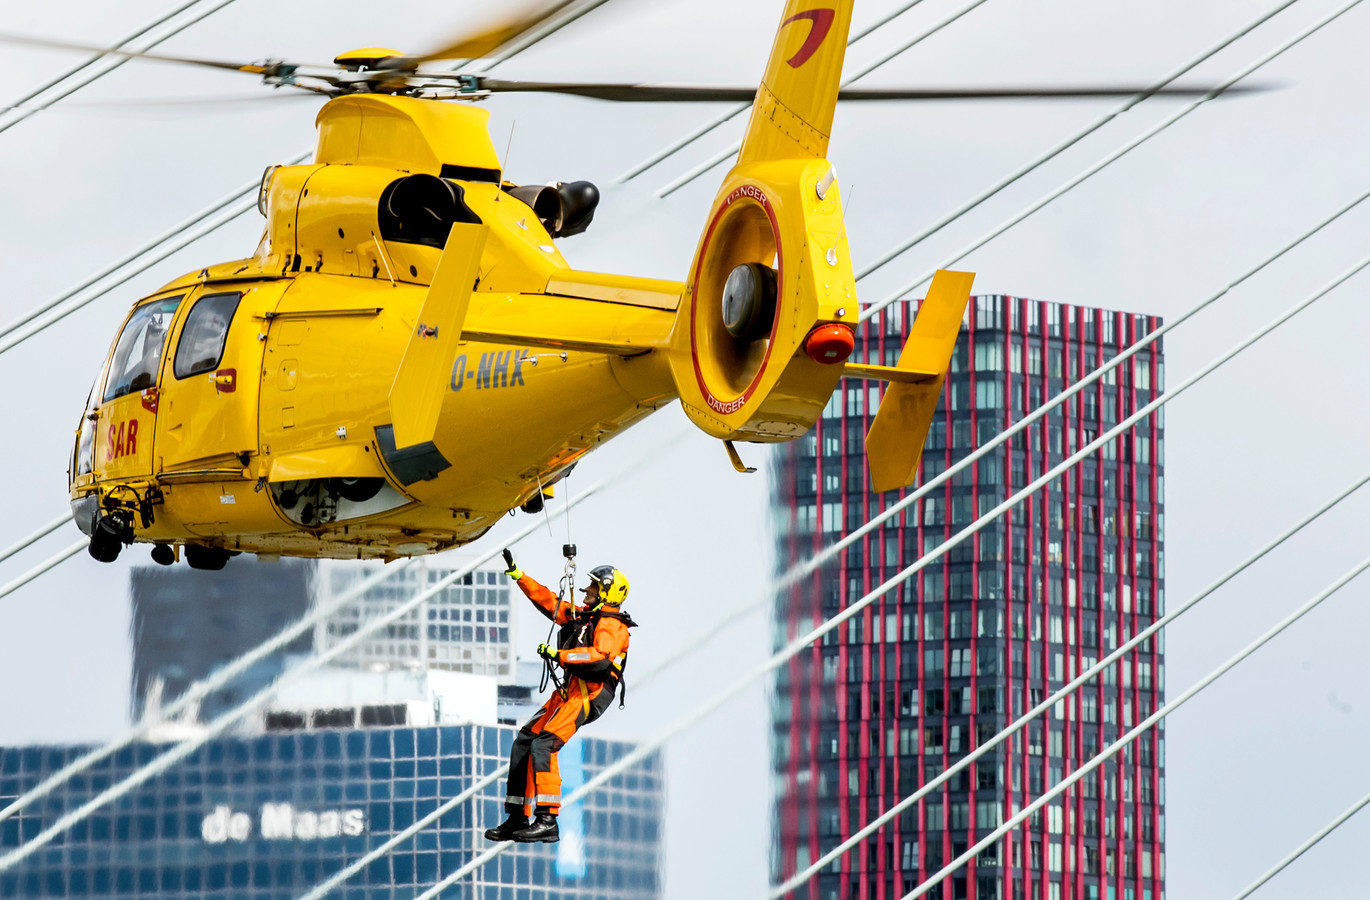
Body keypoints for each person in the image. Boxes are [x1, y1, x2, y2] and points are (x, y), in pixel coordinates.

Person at [484, 549, 636, 844]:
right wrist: (519, 576)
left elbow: (599, 658)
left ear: (607, 593)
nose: (587, 590)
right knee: (525, 740)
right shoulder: (583, 617)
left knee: (544, 745)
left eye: (593, 586)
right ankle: (516, 816)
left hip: (587, 696)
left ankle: (547, 819)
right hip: (569, 691)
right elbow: (551, 603)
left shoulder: (613, 627)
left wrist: (559, 654)